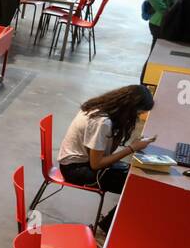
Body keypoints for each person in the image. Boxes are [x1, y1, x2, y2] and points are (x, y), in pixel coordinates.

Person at [56, 84, 156, 233]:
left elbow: (107, 152)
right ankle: (106, 228)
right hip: (75, 170)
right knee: (136, 187)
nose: (137, 117)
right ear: (129, 108)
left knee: (135, 179)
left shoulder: (103, 108)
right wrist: (132, 148)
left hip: (83, 162)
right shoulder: (102, 122)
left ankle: (109, 225)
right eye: (138, 112)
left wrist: (124, 135)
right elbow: (96, 164)